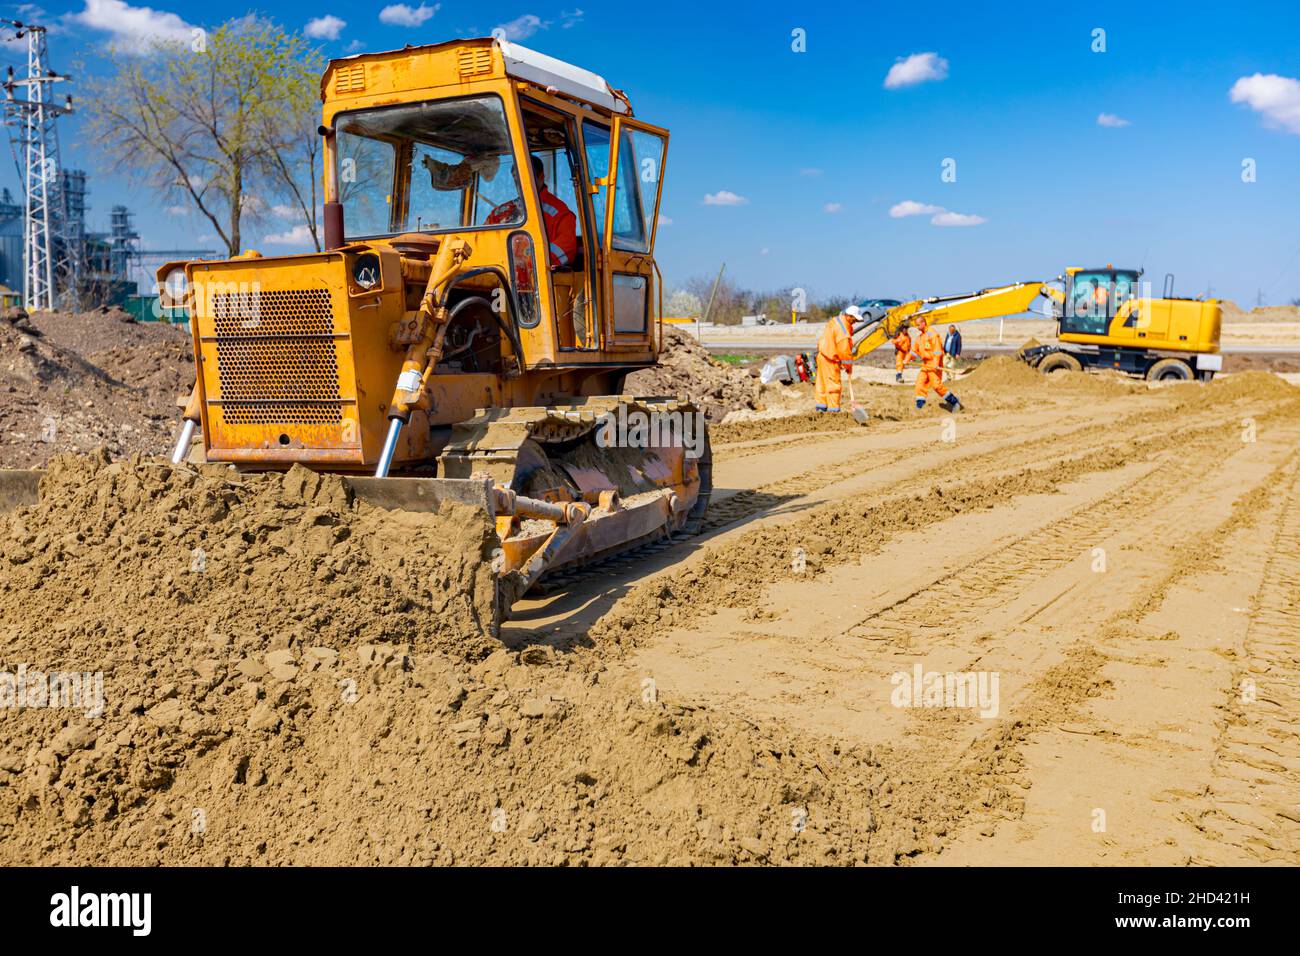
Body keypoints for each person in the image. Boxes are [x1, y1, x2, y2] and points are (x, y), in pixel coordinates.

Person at [484, 155, 578, 269]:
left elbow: (566, 249)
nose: (520, 182)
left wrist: (524, 263)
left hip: (540, 282)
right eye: (515, 177)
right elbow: (482, 242)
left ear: (541, 177)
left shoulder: (561, 214)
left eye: (526, 176)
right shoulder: (499, 213)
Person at [909, 315, 962, 412]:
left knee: (937, 386)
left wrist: (936, 363)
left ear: (923, 323)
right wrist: (907, 359)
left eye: (918, 325)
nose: (917, 327)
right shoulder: (920, 338)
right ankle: (920, 405)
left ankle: (954, 402)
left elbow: (937, 350)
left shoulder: (932, 334)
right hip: (926, 365)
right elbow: (914, 351)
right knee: (919, 383)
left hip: (934, 364)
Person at [815, 305, 862, 412]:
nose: (855, 322)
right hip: (831, 360)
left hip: (822, 355)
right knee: (833, 386)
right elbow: (845, 352)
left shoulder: (836, 320)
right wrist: (848, 366)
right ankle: (833, 411)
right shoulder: (844, 333)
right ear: (849, 316)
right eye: (854, 319)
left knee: (821, 384)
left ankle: (821, 408)